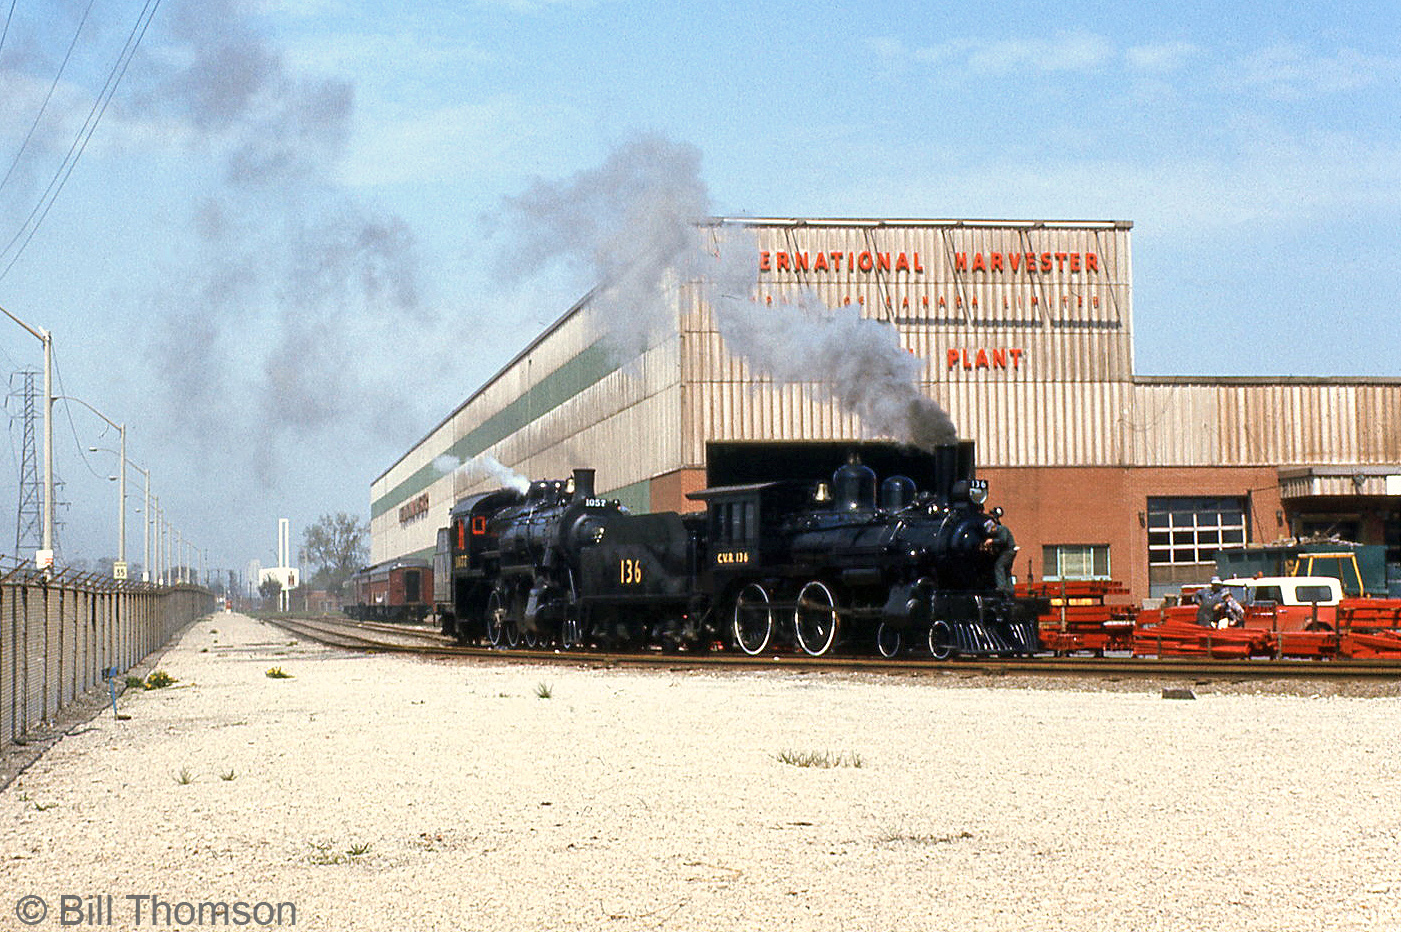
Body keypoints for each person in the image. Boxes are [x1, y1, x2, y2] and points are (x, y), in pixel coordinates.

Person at [980, 506, 1017, 595]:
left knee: (999, 565)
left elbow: (1003, 540)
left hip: (1008, 551)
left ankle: (1001, 588)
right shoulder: (999, 529)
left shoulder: (1001, 529)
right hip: (1009, 551)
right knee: (1006, 570)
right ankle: (1010, 589)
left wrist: (991, 541)